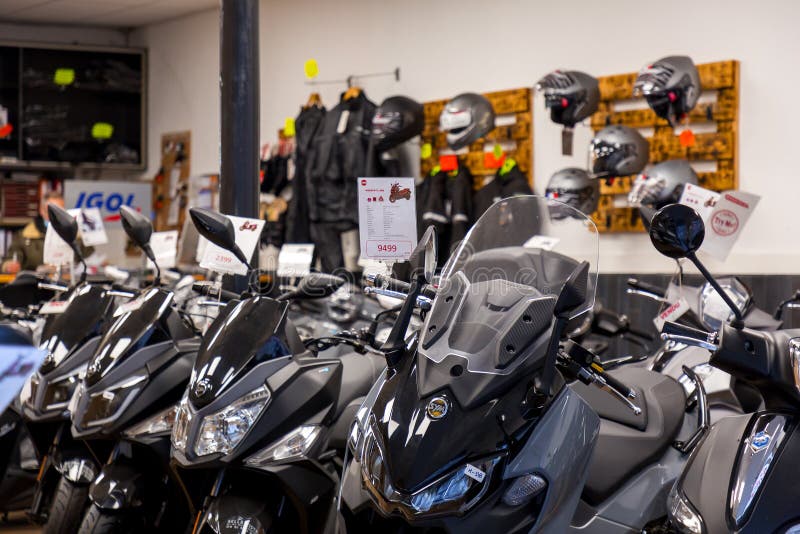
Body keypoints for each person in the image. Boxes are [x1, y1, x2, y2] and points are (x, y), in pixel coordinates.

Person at [2, 191, 66, 273]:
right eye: (52, 211)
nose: (57, 216)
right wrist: (9, 266)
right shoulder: (24, 236)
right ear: (42, 211)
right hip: (34, 283)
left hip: (69, 281)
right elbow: (10, 259)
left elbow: (85, 255)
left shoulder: (73, 233)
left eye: (61, 211)